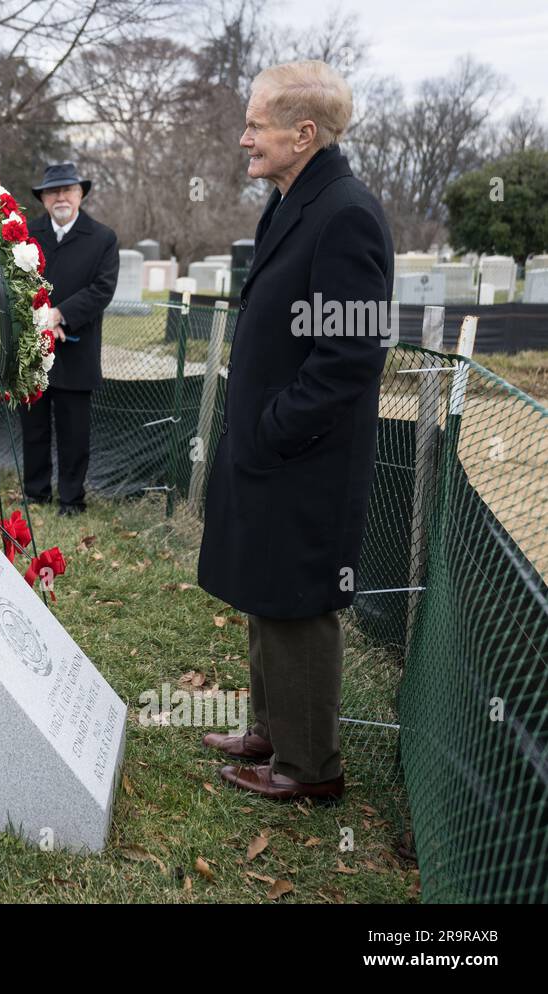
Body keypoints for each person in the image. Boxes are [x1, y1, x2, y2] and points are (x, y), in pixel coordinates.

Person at [198, 60, 394, 803]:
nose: (244, 137)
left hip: (306, 456)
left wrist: (277, 428)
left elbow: (351, 354)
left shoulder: (345, 212)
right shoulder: (291, 201)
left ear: (302, 134)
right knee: (265, 588)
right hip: (270, 449)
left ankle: (311, 768)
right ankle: (271, 729)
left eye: (256, 124)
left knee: (298, 605)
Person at [23, 161, 119, 516]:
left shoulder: (103, 238)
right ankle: (35, 491)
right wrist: (40, 319)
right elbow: (18, 285)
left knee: (73, 431)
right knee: (32, 425)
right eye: (53, 191)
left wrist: (59, 315)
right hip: (33, 347)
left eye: (67, 189)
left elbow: (102, 289)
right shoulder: (27, 236)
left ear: (80, 194)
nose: (61, 196)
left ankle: (71, 498)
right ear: (44, 199)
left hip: (76, 348)